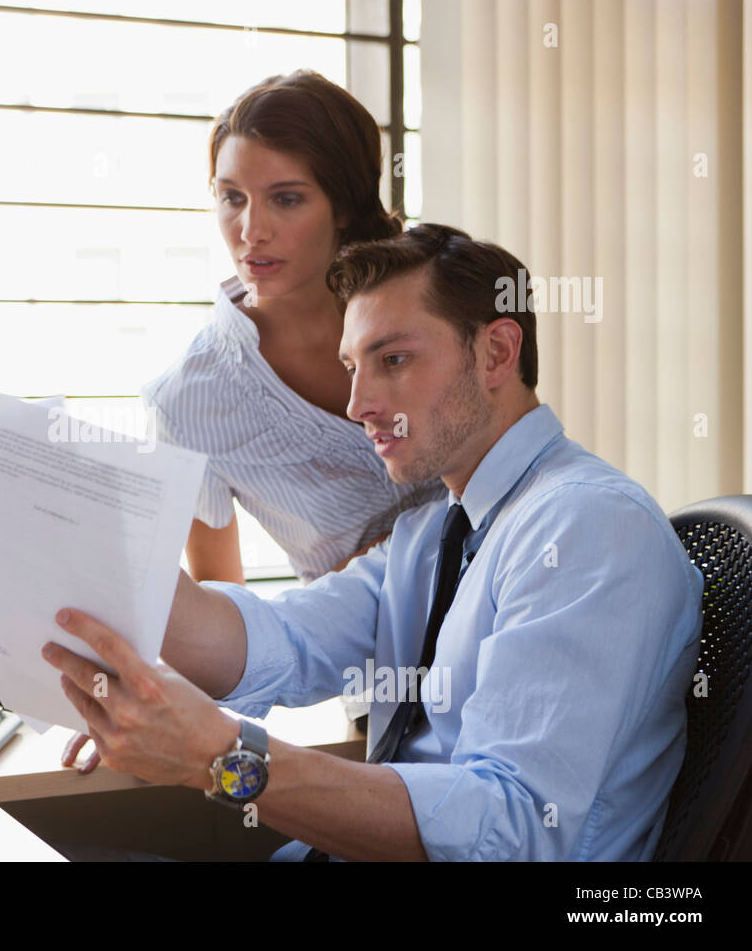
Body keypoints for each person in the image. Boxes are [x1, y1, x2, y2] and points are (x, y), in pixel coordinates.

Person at [42, 224, 704, 861]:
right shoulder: (437, 530)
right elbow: (282, 640)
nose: (358, 403)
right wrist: (103, 540)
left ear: (497, 353)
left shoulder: (586, 527)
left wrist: (224, 758)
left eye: (393, 360)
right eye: (352, 367)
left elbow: (512, 832)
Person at [62, 70, 443, 773]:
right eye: (231, 198)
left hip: (514, 609)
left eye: (286, 199)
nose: (251, 230)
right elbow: (220, 610)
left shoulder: (430, 303)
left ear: (345, 206)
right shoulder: (193, 398)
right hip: (388, 679)